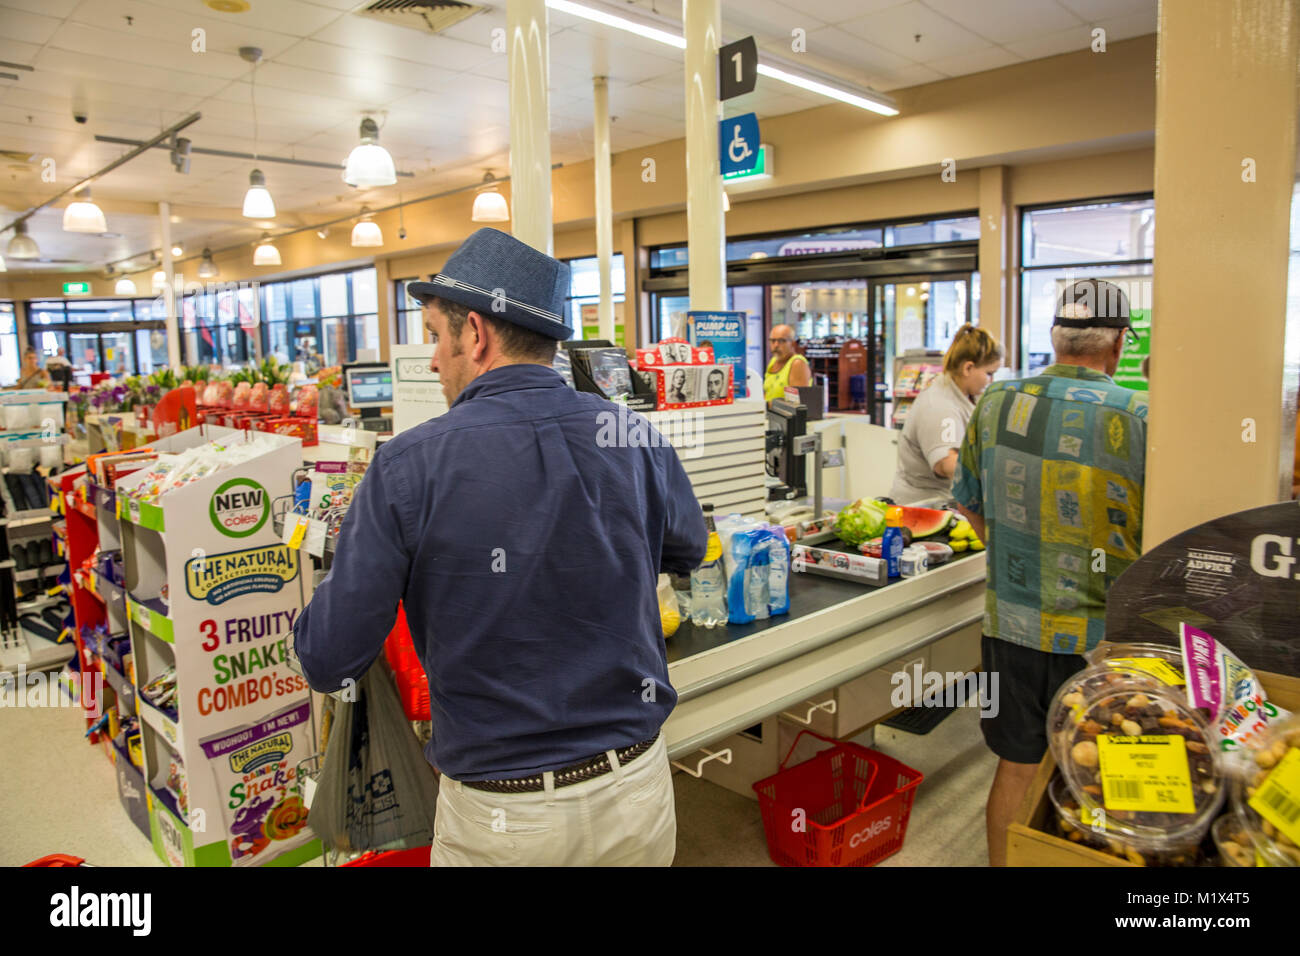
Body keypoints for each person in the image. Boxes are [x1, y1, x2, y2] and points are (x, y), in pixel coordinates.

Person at [293, 227, 706, 867]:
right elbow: (687, 547)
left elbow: (329, 657)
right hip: (638, 792)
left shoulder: (408, 465)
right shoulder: (631, 434)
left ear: (476, 334)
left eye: (435, 335)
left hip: (505, 817)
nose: (432, 359)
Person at [952, 279, 1147, 867]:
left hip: (1011, 624)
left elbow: (969, 502)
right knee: (1113, 773)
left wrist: (1017, 556)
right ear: (1116, 346)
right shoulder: (1138, 414)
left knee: (1017, 764)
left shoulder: (995, 402)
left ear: (1056, 339)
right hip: (1102, 639)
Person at [889, 324, 1003, 503]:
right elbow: (947, 464)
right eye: (989, 373)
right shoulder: (940, 406)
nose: (991, 381)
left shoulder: (965, 395)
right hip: (925, 503)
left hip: (947, 500)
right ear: (968, 368)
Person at [764, 324, 811, 403]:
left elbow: (797, 403)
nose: (776, 345)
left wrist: (768, 406)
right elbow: (767, 394)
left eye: (781, 341)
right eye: (772, 341)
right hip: (769, 413)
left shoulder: (797, 363)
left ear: (792, 343)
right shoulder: (773, 361)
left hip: (785, 415)